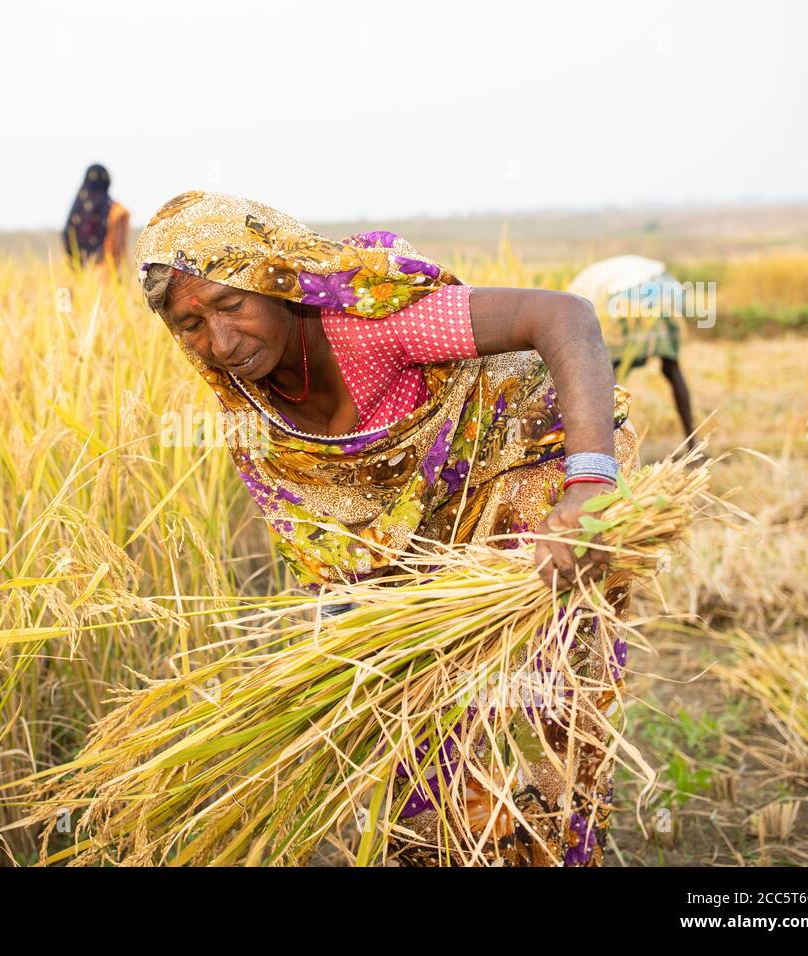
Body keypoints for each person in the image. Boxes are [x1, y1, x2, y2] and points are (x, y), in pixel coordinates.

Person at [135, 190, 642, 867]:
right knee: (421, 726)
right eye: (190, 324)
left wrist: (587, 484)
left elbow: (564, 316)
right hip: (425, 559)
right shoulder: (251, 415)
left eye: (232, 304)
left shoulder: (370, 325)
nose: (220, 342)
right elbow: (335, 560)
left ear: (278, 280)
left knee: (531, 698)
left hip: (531, 477)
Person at [567, 255, 697, 449]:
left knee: (608, 378)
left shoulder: (587, 286)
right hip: (659, 292)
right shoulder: (651, 271)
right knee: (671, 367)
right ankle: (693, 443)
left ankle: (606, 447)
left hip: (624, 300)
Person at [62, 164, 130, 269]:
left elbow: (67, 235)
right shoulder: (116, 210)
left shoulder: (80, 206)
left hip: (86, 272)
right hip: (106, 272)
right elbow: (119, 249)